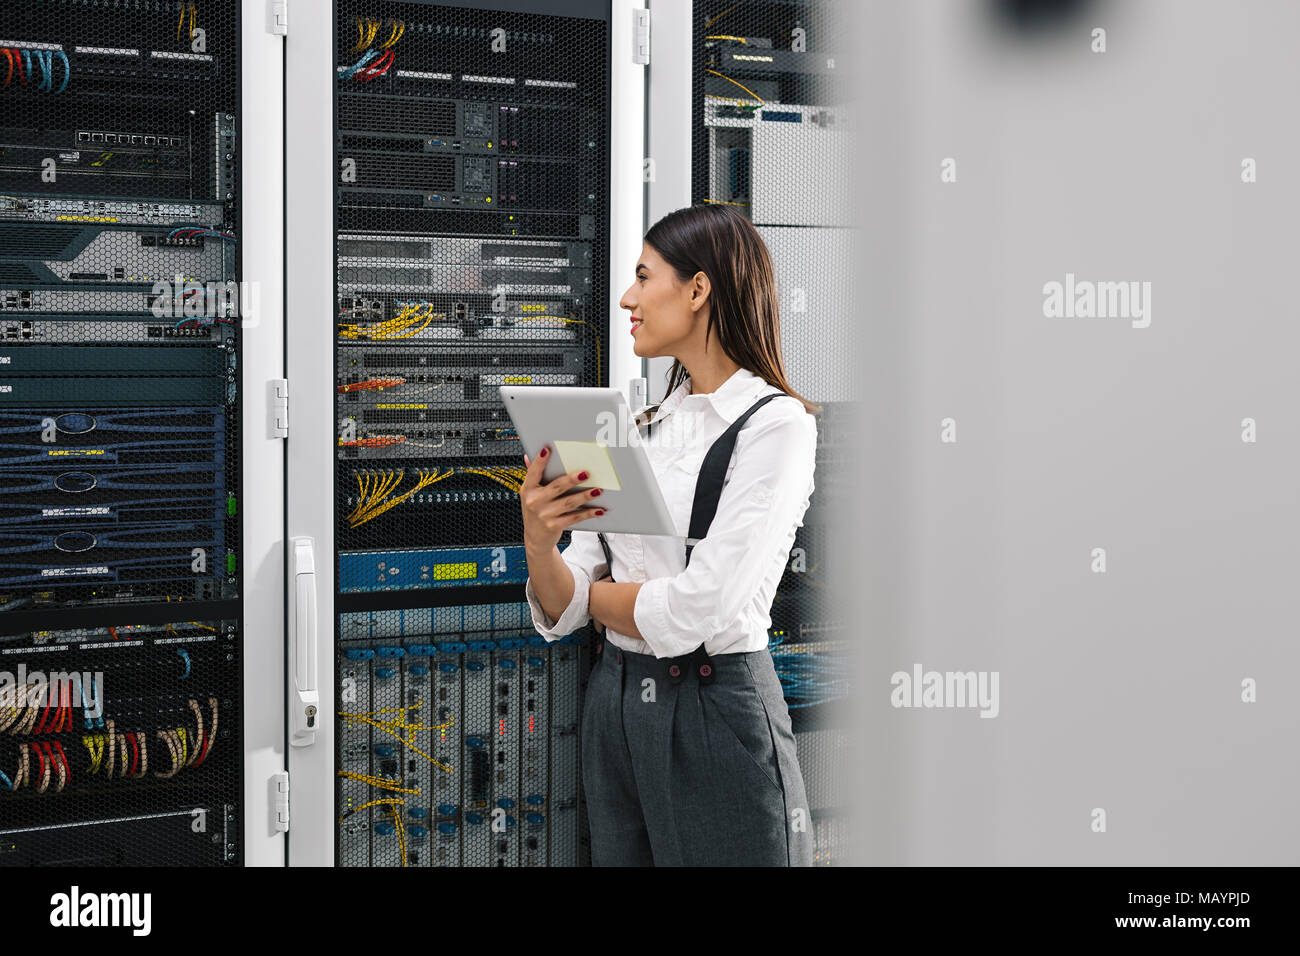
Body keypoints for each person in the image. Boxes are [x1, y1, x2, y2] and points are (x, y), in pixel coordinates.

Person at [520, 203, 819, 866]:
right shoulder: (634, 426)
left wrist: (593, 603)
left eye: (643, 276)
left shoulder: (777, 427)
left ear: (697, 289)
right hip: (616, 706)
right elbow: (563, 599)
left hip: (716, 710)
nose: (627, 298)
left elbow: (695, 609)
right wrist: (540, 541)